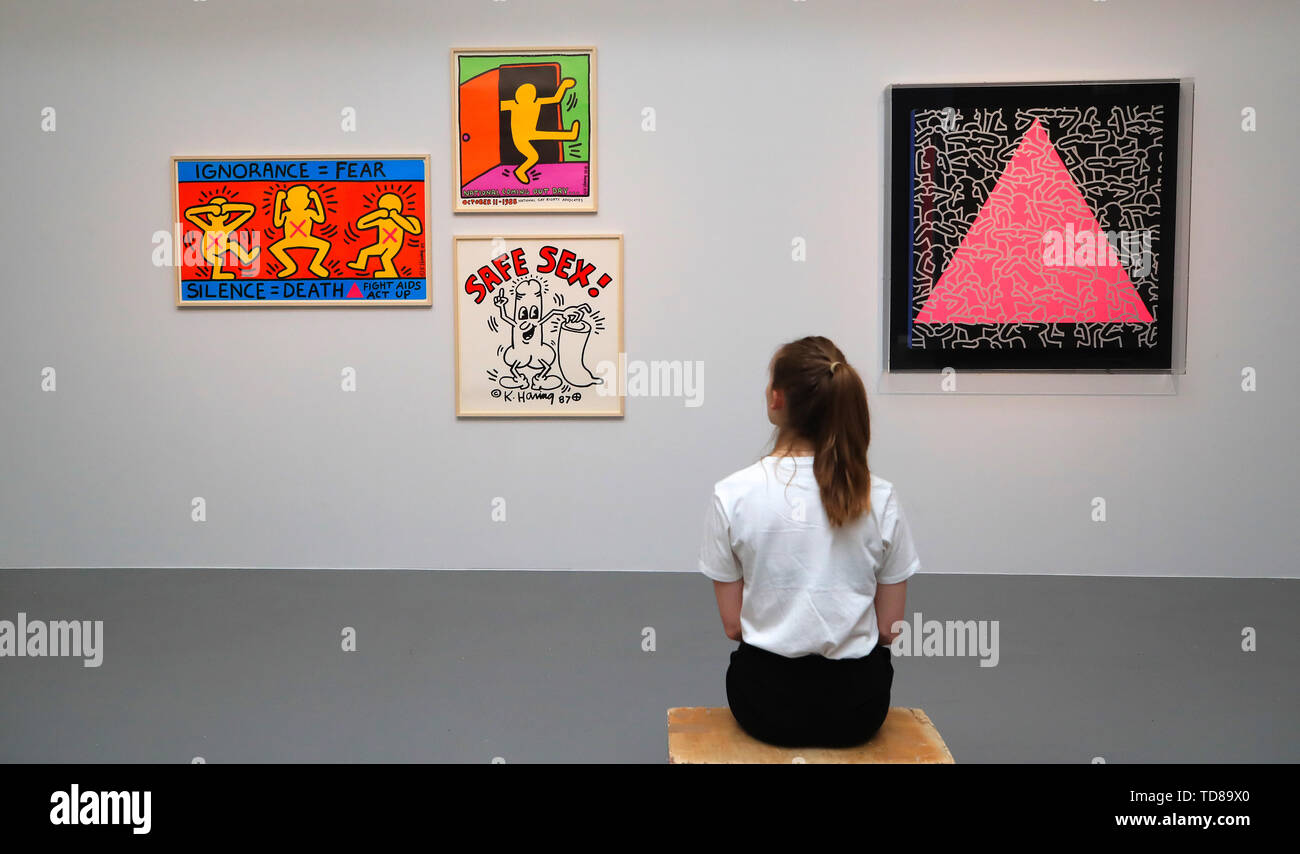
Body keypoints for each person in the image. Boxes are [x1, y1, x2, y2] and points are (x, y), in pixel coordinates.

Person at [697, 336, 921, 748]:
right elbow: (890, 629)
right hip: (858, 711)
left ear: (776, 399)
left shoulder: (732, 494)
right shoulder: (881, 497)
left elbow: (733, 627)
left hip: (765, 707)